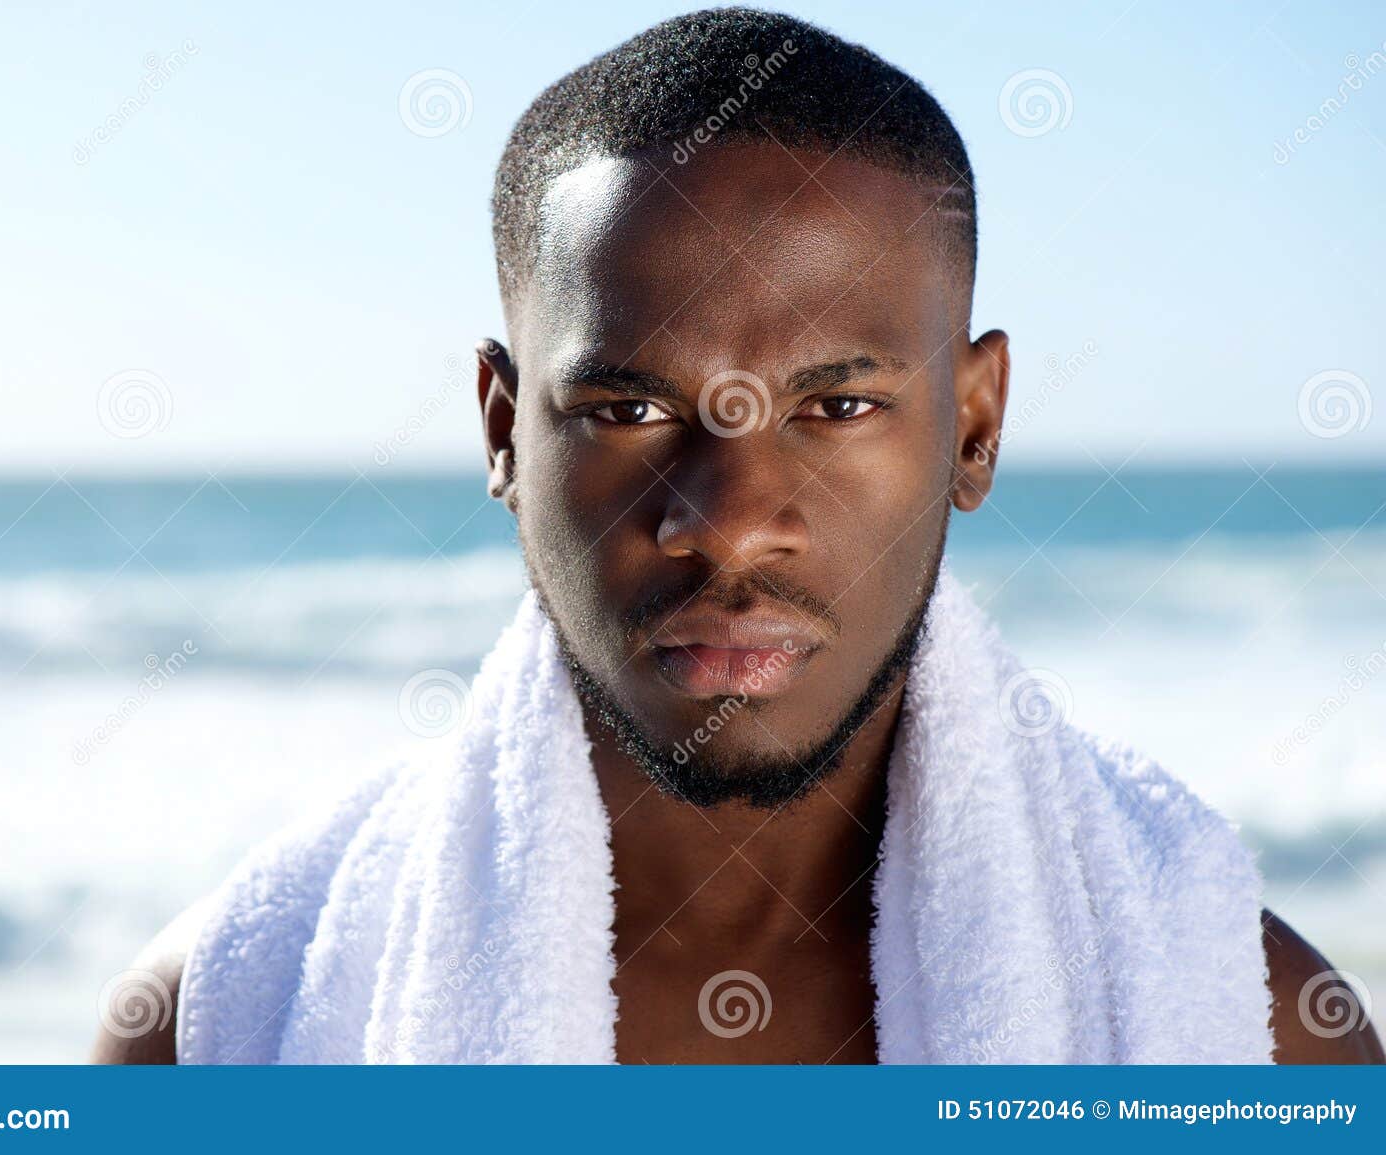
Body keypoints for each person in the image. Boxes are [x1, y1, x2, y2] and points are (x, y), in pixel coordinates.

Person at [96, 7, 1381, 1065]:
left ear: (974, 428)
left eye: (837, 407)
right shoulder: (217, 1034)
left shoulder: (1254, 1037)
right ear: (500, 431)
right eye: (628, 407)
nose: (729, 527)